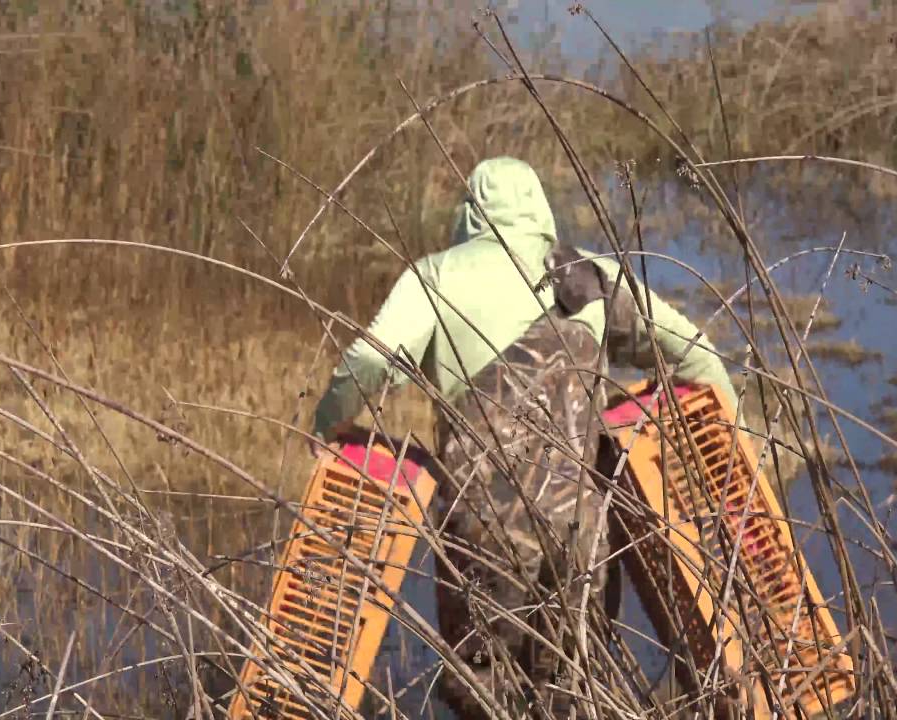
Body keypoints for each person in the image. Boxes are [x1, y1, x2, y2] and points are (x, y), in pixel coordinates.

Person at [309, 156, 737, 718]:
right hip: (584, 539)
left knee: (488, 696)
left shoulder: (437, 275)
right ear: (540, 210)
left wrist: (327, 424)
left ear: (469, 215)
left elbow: (369, 358)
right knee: (577, 691)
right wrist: (730, 454)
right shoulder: (590, 276)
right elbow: (699, 358)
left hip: (484, 535)